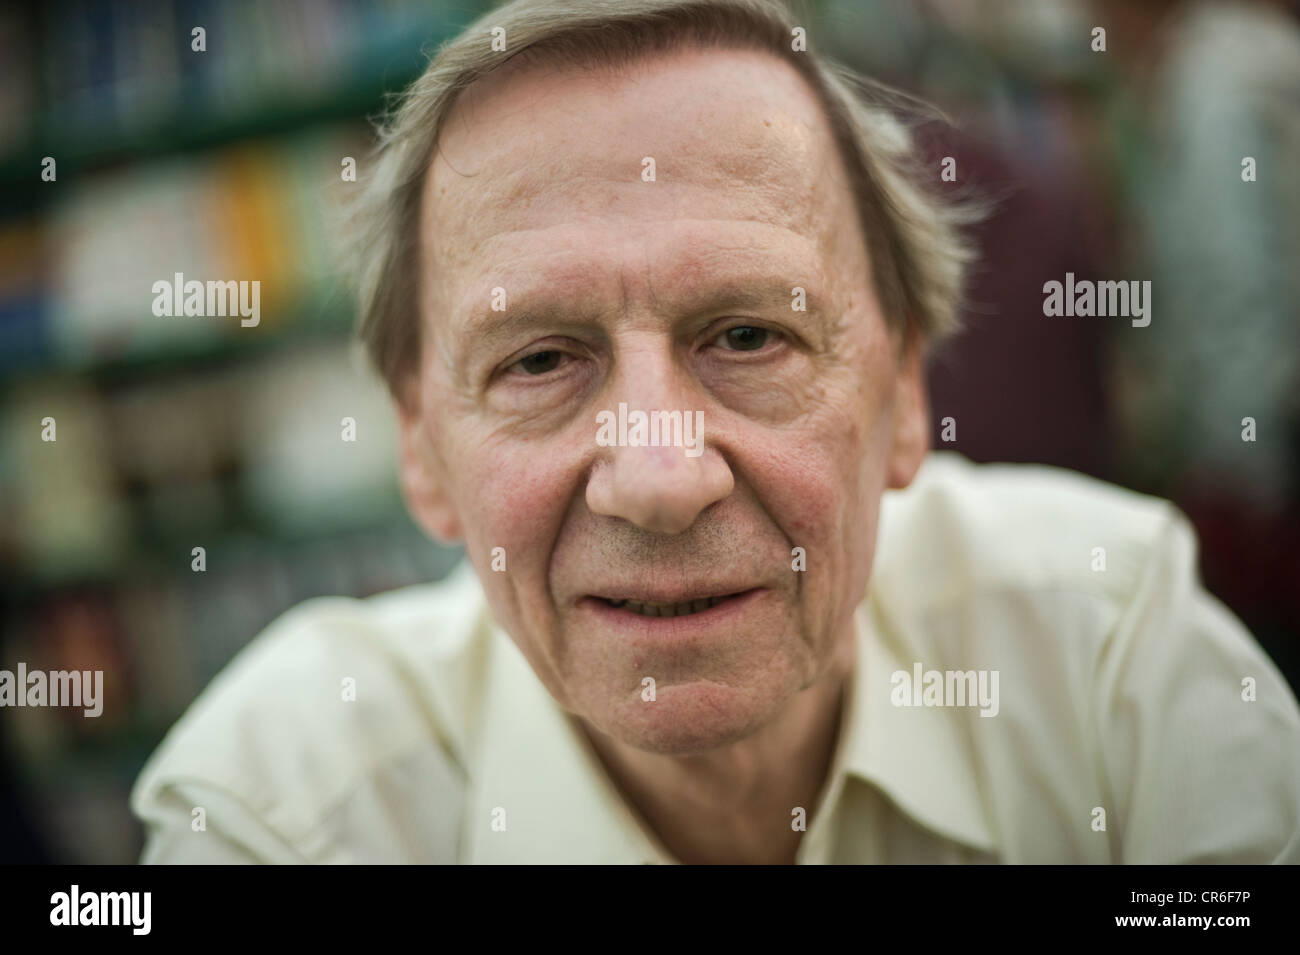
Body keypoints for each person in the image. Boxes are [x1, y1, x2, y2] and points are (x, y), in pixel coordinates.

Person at [130, 0, 1300, 864]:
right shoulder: (290, 806)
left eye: (747, 336)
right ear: (421, 448)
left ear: (903, 395)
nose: (659, 479)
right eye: (539, 360)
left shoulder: (1107, 656)